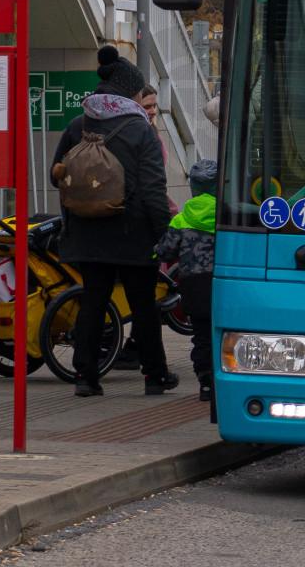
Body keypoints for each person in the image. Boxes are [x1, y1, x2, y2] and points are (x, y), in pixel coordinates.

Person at [51, 46, 177, 397]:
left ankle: (85, 377)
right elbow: (154, 189)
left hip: (88, 232)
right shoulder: (140, 130)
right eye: (139, 92)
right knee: (143, 305)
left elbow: (56, 175)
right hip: (133, 233)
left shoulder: (79, 124)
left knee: (93, 301)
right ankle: (155, 376)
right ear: (130, 92)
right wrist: (165, 233)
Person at [156, 158, 217, 402]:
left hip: (193, 286)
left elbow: (165, 252)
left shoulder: (182, 219)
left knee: (201, 334)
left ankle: (205, 382)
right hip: (222, 283)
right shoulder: (229, 216)